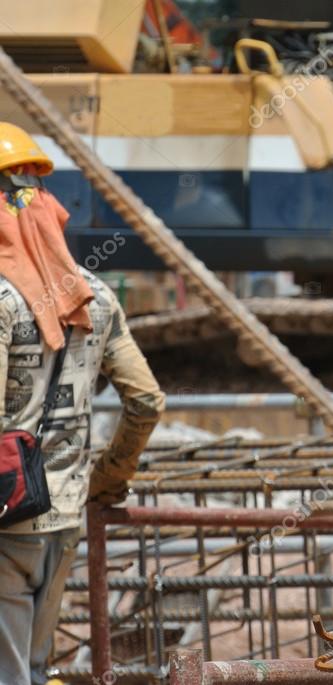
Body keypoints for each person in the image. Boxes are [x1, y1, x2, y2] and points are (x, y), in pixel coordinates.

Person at [0, 122, 166, 684]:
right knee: (37, 664)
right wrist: (108, 480)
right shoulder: (95, 294)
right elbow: (145, 400)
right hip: (67, 514)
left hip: (7, 520)